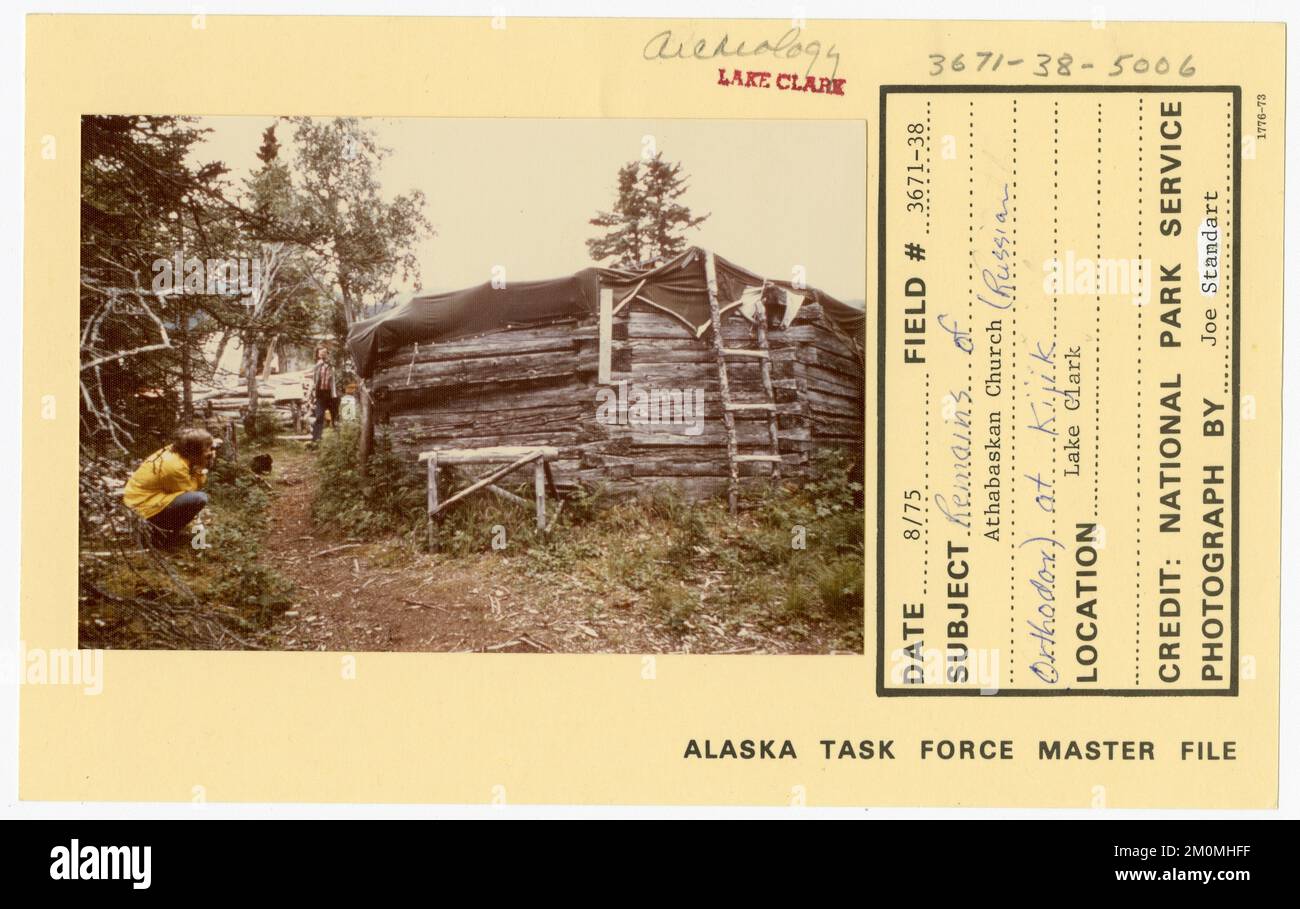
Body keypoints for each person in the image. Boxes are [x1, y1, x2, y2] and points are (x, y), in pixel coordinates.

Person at [123, 427, 216, 546]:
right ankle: (160, 536)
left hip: (141, 501)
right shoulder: (175, 467)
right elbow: (191, 490)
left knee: (193, 498)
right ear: (193, 452)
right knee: (199, 499)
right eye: (207, 449)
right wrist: (202, 468)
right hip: (142, 509)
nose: (210, 452)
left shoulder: (175, 451)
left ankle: (162, 531)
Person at [309, 345, 340, 445]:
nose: (322, 355)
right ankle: (316, 440)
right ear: (318, 355)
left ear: (327, 354)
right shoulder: (317, 366)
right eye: (320, 353)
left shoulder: (332, 365)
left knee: (335, 417)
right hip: (320, 395)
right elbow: (313, 379)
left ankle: (339, 440)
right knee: (319, 416)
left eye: (324, 353)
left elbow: (336, 378)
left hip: (332, 395)